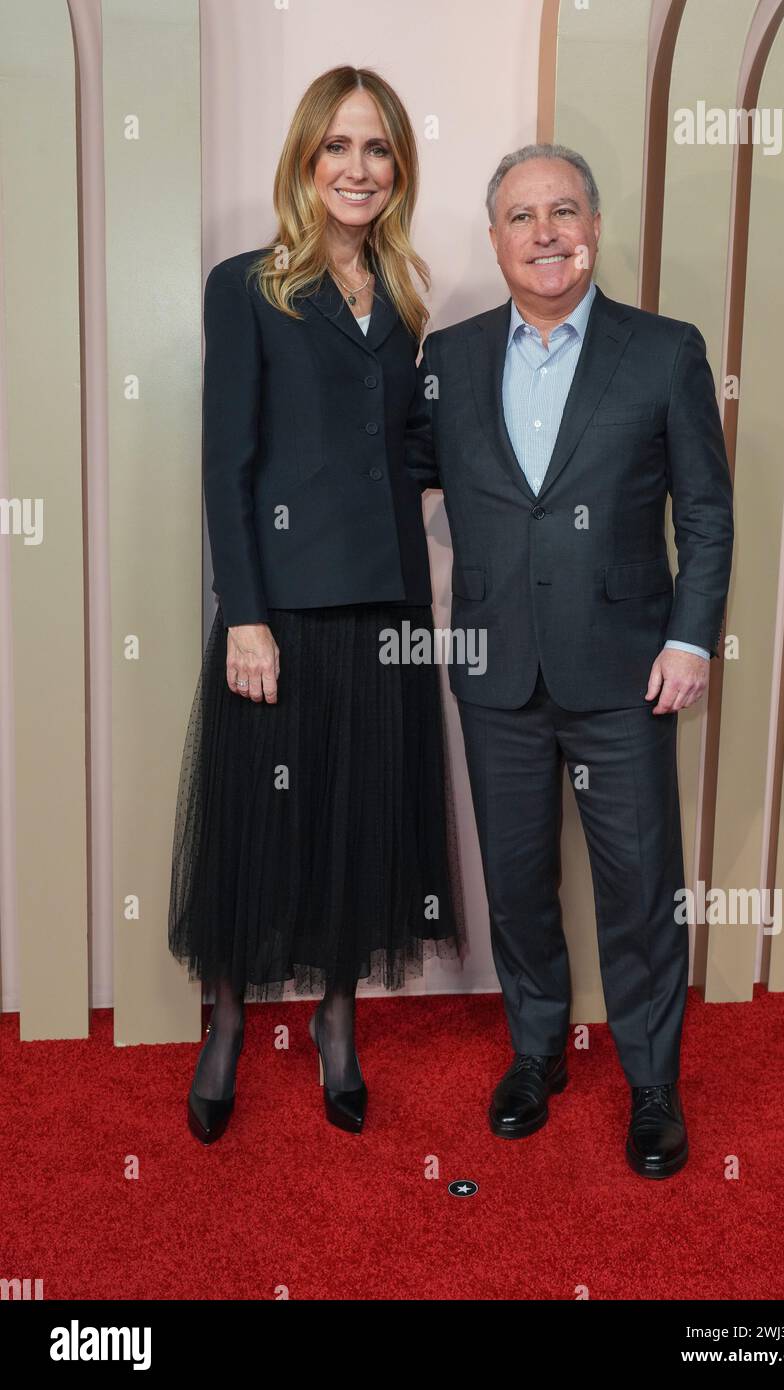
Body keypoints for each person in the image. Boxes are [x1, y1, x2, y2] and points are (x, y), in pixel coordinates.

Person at [405, 144, 734, 1177]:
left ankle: (650, 1085)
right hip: (495, 670)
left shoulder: (663, 349)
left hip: (626, 673)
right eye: (518, 215)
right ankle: (536, 1054)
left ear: (591, 227)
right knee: (516, 881)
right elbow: (414, 479)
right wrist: (495, 552)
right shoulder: (447, 357)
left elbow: (707, 514)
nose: (542, 232)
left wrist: (688, 638)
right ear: (494, 238)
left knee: (638, 887)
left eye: (561, 210)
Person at [168, 66, 465, 1145]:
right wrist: (240, 611)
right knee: (260, 825)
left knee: (357, 821)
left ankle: (338, 1027)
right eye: (337, 146)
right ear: (304, 158)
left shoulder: (404, 296)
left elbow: (402, 448)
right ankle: (229, 1027)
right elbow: (227, 463)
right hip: (280, 613)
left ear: (398, 168)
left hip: (384, 607)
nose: (357, 167)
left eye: (377, 149)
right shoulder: (242, 283)